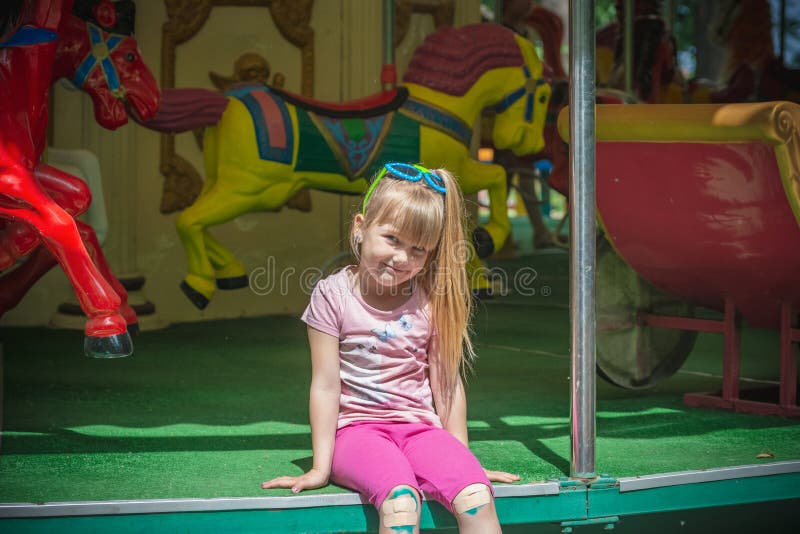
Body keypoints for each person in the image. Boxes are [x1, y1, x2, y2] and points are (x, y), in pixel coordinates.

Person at [262, 162, 520, 533]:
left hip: (420, 430)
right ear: (360, 228)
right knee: (401, 504)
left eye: (418, 250)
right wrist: (321, 466)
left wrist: (463, 462)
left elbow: (446, 384)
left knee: (476, 495)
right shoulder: (332, 295)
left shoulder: (432, 299)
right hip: (357, 432)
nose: (402, 258)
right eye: (392, 239)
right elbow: (325, 384)